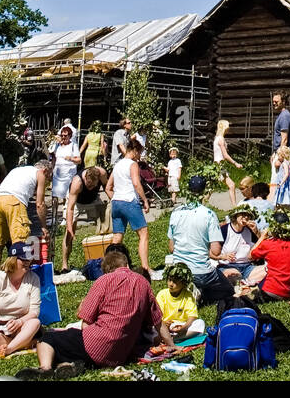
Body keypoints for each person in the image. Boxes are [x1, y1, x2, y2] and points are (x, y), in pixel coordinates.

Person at [20, 248, 169, 378]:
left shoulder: (103, 281)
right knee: (73, 347)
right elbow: (158, 321)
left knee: (49, 338)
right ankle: (68, 365)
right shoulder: (143, 283)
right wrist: (172, 345)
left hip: (96, 345)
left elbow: (86, 322)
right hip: (121, 355)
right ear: (127, 265)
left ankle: (45, 368)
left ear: (107, 270)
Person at [167, 175, 232, 304]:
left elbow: (171, 248)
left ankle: (189, 291)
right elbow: (216, 251)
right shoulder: (209, 214)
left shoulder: (175, 213)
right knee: (229, 290)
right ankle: (202, 295)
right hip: (202, 273)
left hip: (179, 272)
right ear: (205, 193)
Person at [0, 239, 42, 355]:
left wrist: (20, 322)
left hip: (21, 326)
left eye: (29, 259)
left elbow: (34, 311)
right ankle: (23, 343)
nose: (27, 262)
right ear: (13, 260)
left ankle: (9, 349)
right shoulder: (0, 277)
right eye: (23, 259)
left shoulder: (33, 278)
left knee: (34, 323)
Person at [0, 157, 52, 277]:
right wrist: (44, 227)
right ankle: (17, 278)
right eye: (49, 176)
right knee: (20, 244)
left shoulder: (19, 170)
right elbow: (40, 204)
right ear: (45, 170)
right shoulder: (40, 174)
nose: (48, 180)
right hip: (15, 201)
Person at [105, 139, 150, 274]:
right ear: (135, 151)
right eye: (139, 153)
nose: (139, 156)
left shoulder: (117, 165)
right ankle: (145, 267)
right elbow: (136, 183)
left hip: (116, 202)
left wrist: (117, 198)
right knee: (143, 234)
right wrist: (145, 200)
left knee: (117, 237)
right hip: (129, 201)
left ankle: (110, 267)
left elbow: (108, 187)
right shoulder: (133, 164)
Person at [61, 165, 110, 272]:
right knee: (69, 232)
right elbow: (70, 208)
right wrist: (69, 226)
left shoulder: (102, 174)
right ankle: (64, 265)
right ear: (85, 178)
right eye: (89, 185)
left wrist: (115, 202)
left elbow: (108, 188)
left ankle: (106, 259)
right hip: (76, 202)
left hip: (93, 200)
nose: (91, 187)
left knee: (106, 223)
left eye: (94, 185)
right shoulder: (77, 183)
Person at [249, 210, 290, 302]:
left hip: (270, 291)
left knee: (248, 293)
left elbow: (250, 256)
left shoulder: (268, 244)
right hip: (286, 293)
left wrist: (262, 237)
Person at [155, 260, 200, 341]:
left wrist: (184, 327)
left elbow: (192, 315)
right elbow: (157, 315)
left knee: (200, 324)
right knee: (150, 327)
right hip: (164, 325)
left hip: (180, 325)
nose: (171, 284)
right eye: (169, 280)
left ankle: (172, 339)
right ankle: (168, 337)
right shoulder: (162, 294)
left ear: (183, 283)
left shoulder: (187, 295)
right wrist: (164, 323)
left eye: (175, 282)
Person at [219, 205, 265, 282]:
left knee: (267, 270)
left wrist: (256, 232)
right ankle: (245, 282)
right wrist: (224, 256)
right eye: (243, 214)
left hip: (247, 267)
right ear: (235, 216)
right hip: (228, 266)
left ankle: (245, 281)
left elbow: (261, 247)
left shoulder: (250, 230)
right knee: (234, 277)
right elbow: (212, 252)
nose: (246, 217)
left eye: (248, 216)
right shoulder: (225, 230)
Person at [49, 126, 82, 209]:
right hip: (57, 174)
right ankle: (54, 216)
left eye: (65, 135)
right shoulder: (57, 145)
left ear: (70, 136)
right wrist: (51, 171)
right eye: (62, 135)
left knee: (67, 196)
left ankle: (65, 216)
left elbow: (79, 160)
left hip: (69, 174)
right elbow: (53, 158)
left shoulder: (73, 145)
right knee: (55, 195)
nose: (63, 137)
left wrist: (71, 158)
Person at [213, 120, 238, 206]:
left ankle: (201, 203)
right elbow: (225, 155)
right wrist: (235, 163)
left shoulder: (217, 138)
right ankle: (234, 207)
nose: (228, 129)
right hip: (220, 165)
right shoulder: (221, 139)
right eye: (227, 126)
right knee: (231, 185)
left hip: (217, 165)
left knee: (212, 187)